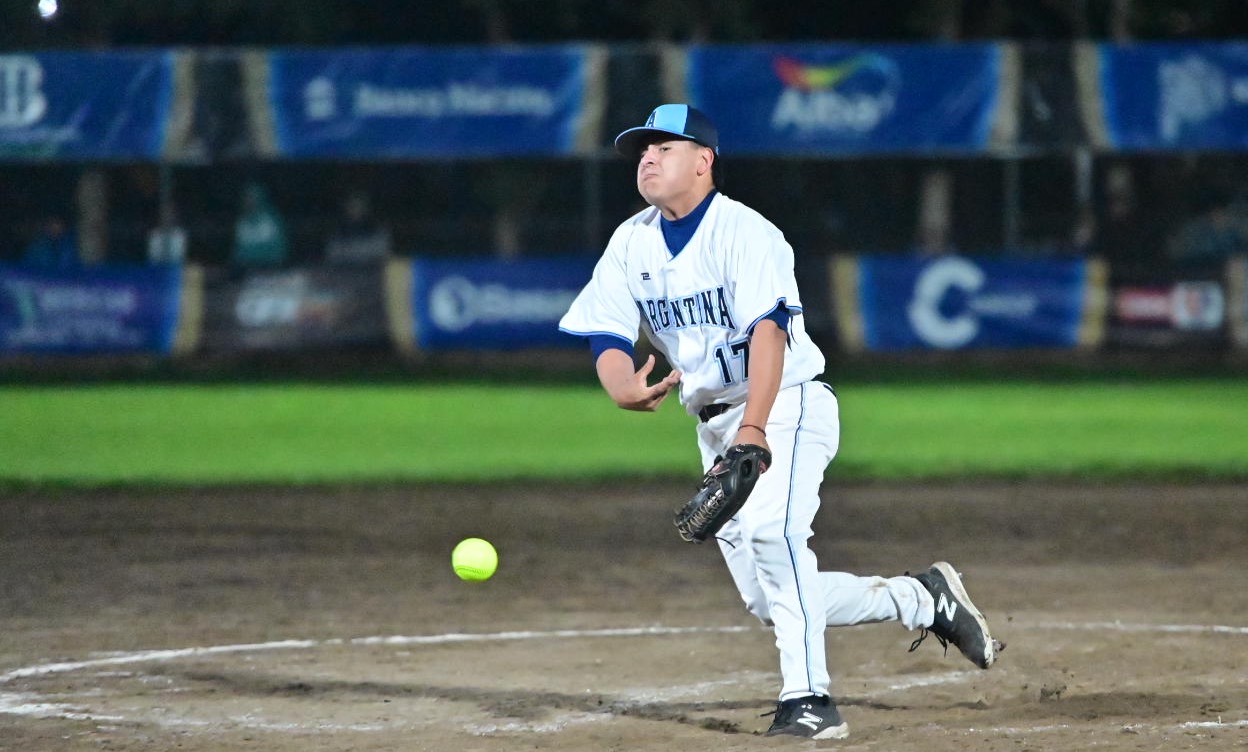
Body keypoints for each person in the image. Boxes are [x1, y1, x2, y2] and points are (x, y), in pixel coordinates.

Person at [558, 104, 1002, 741]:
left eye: (664, 147)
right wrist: (621, 384)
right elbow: (604, 327)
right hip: (716, 424)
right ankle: (922, 599)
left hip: (784, 405)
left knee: (774, 537)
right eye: (642, 150)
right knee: (771, 599)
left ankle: (810, 700)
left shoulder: (746, 233)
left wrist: (753, 432)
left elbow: (769, 333)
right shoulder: (632, 241)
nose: (647, 158)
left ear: (704, 160)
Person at [323, 189, 393, 266]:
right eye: (352, 207)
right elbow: (333, 257)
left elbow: (384, 256)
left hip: (372, 274)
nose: (355, 211)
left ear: (366, 209)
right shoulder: (337, 234)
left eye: (358, 206)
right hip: (345, 275)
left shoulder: (378, 232)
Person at [232, 181, 288, 270]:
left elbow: (279, 251)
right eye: (246, 198)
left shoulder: (271, 219)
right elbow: (239, 251)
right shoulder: (242, 221)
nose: (248, 201)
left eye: (251, 198)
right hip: (247, 270)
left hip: (271, 269)